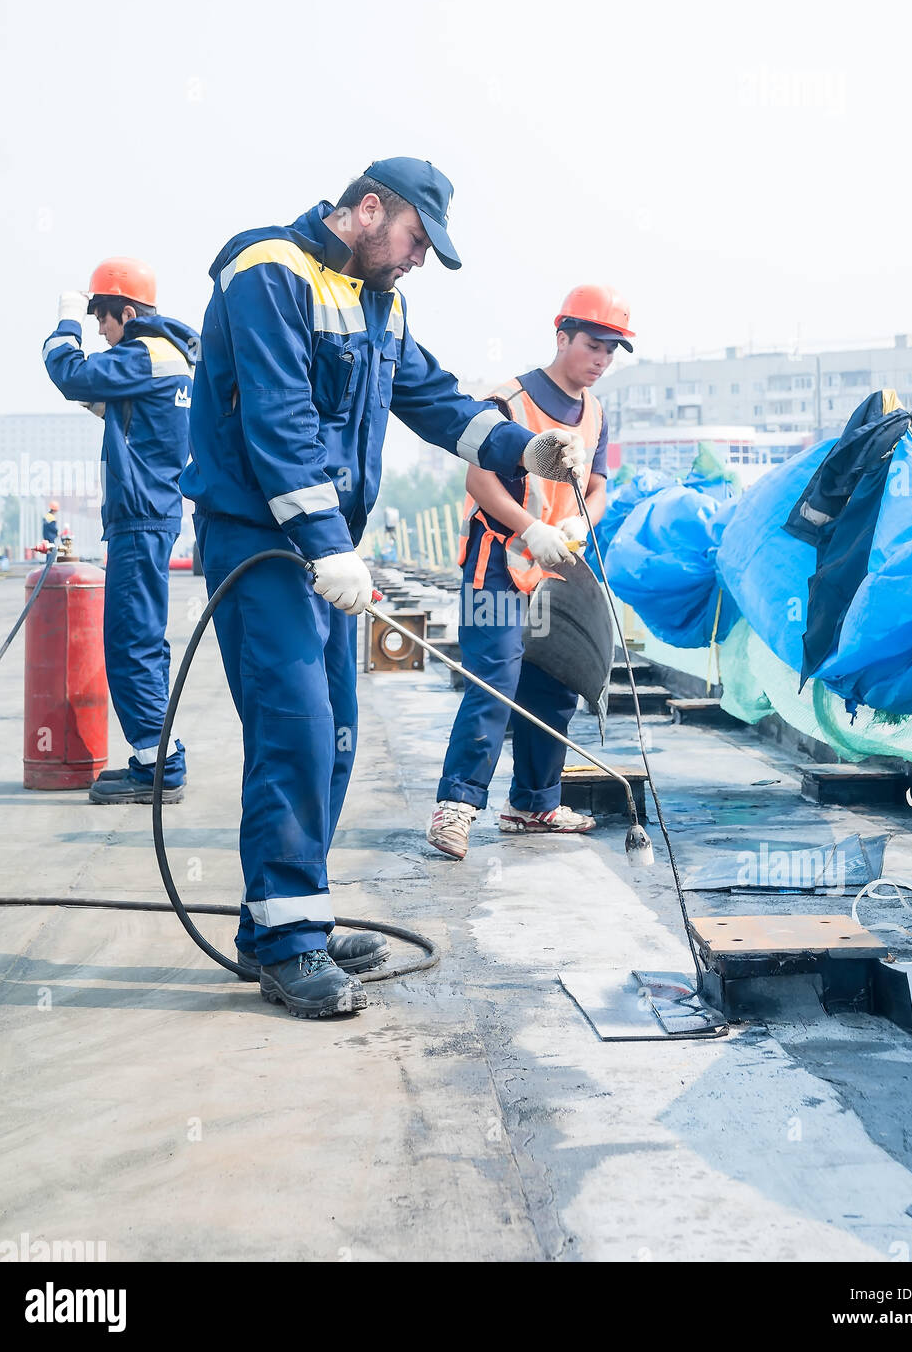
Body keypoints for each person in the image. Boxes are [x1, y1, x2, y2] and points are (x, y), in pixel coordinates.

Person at [182, 157, 586, 1020]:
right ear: (369, 210)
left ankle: (287, 919)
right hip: (263, 542)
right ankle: (289, 950)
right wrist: (328, 544)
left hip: (327, 552)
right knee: (293, 727)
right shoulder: (269, 274)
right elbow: (279, 421)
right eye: (413, 240)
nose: (417, 261)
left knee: (334, 732)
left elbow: (435, 398)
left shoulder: (381, 302)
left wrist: (526, 450)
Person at [427, 285, 633, 861]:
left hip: (557, 566)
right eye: (593, 345)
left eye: (611, 352)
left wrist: (577, 528)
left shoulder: (594, 414)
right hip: (499, 562)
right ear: (561, 337)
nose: (601, 360)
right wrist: (530, 530)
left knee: (555, 684)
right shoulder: (509, 401)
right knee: (495, 680)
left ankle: (532, 803)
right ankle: (457, 806)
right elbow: (479, 480)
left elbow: (597, 485)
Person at [42, 258, 197, 804]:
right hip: (155, 516)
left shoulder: (141, 353)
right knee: (145, 640)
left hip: (138, 519)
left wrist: (64, 327)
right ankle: (158, 755)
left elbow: (68, 373)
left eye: (102, 321)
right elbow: (138, 417)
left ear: (127, 313)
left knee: (129, 643)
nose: (101, 334)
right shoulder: (174, 356)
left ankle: (158, 769)